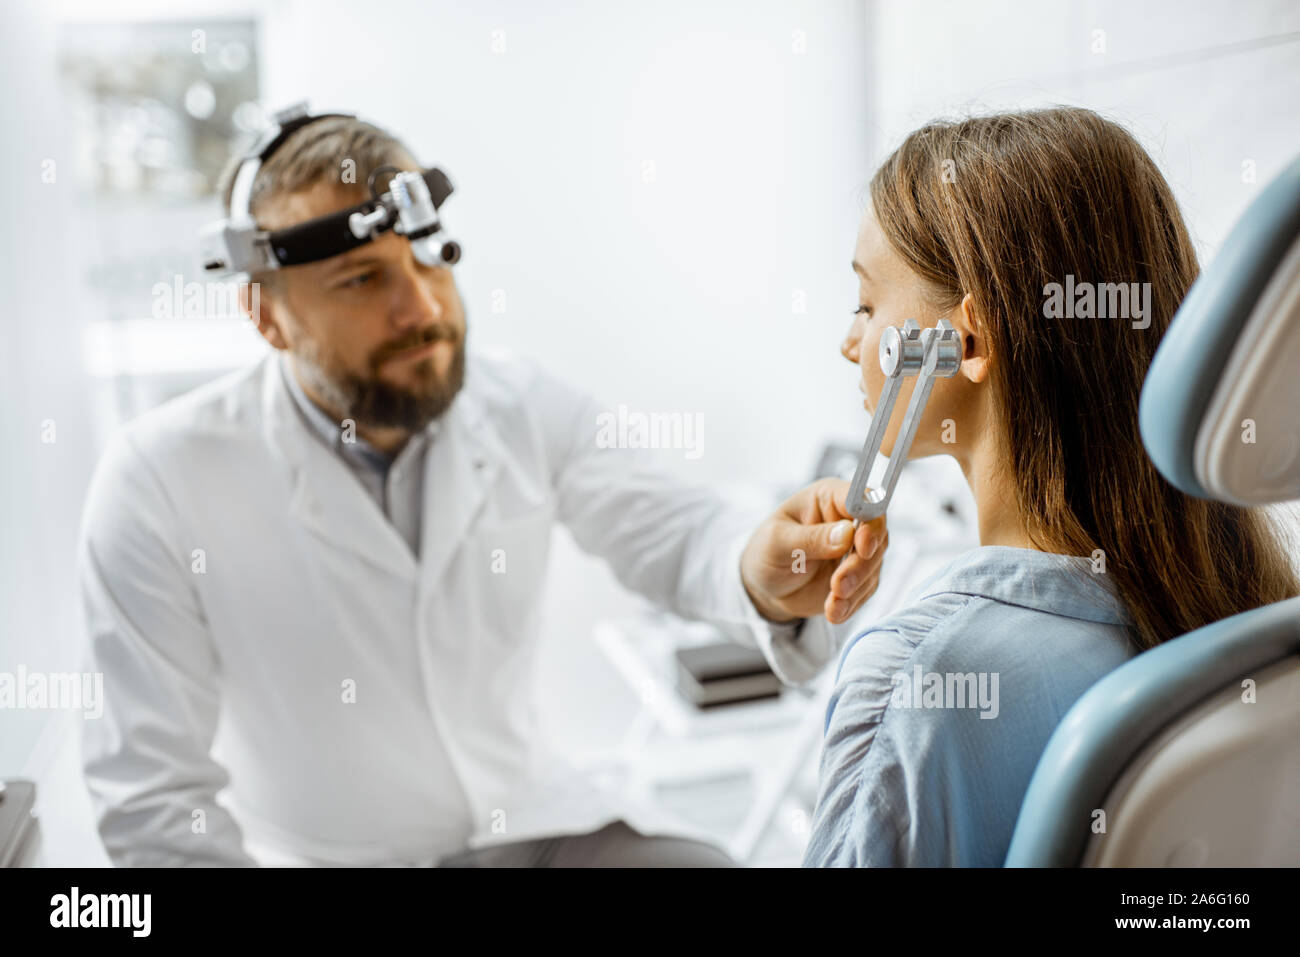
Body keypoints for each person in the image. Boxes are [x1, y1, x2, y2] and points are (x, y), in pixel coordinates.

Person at [76, 114, 888, 867]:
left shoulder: (519, 402)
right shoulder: (157, 481)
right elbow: (153, 803)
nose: (420, 306)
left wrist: (759, 564)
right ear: (268, 316)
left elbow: (672, 533)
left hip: (538, 829)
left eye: (430, 258)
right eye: (362, 280)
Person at [803, 107, 1300, 867]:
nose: (849, 342)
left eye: (867, 306)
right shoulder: (1251, 617)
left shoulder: (915, 679)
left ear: (965, 341)